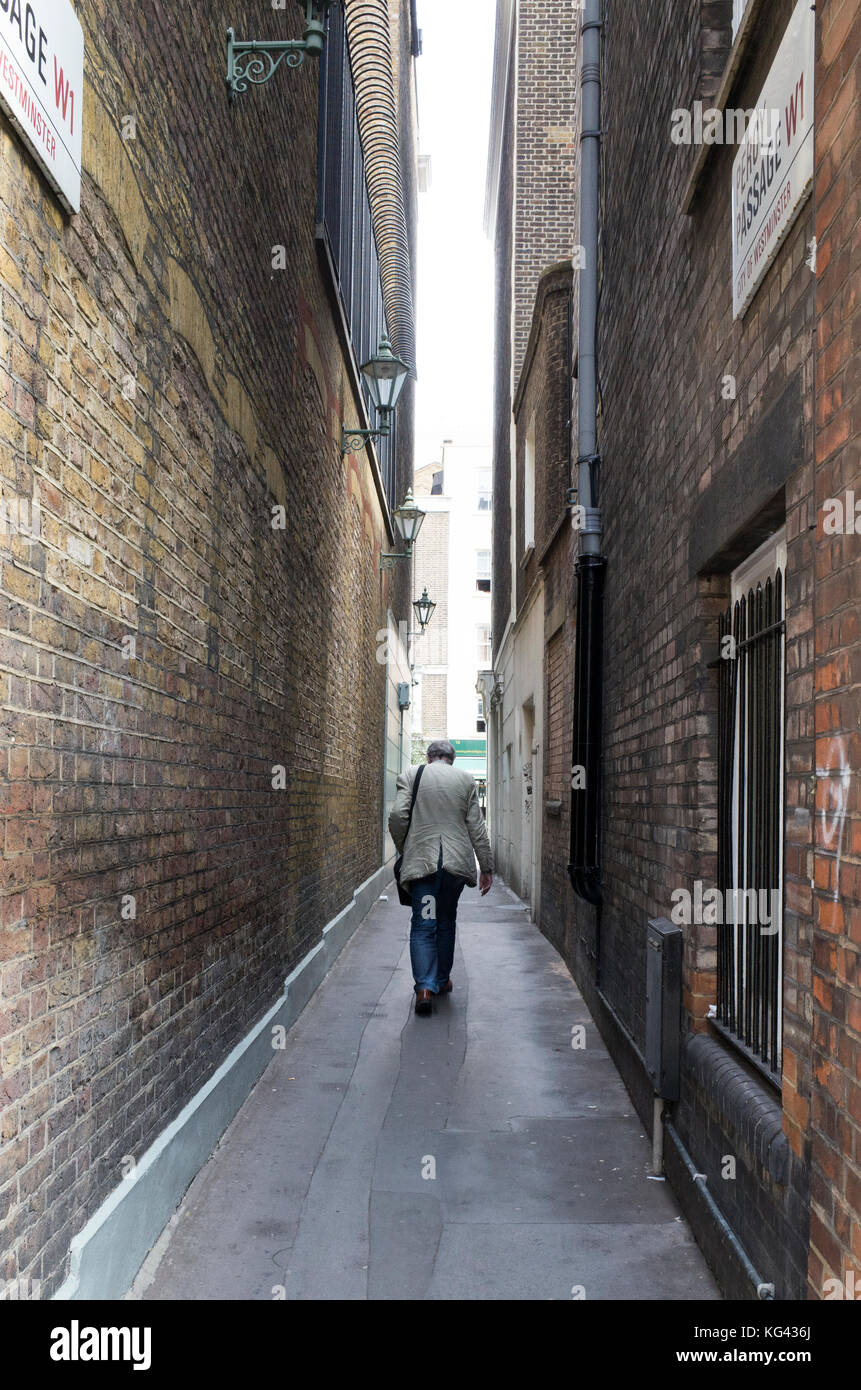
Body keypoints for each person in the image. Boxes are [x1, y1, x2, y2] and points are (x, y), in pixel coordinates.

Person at [388, 739, 494, 1015]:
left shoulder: (412, 775)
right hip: (454, 867)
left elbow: (398, 815)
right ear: (452, 759)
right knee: (446, 921)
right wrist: (487, 866)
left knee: (425, 924)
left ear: (429, 756)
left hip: (424, 867)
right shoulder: (466, 781)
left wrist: (405, 847)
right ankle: (442, 980)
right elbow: (477, 828)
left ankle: (424, 987)